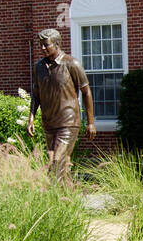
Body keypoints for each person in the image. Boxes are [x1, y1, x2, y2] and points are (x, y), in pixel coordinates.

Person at [26, 28, 96, 180]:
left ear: (57, 44)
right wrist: (31, 118)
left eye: (46, 45)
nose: (42, 48)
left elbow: (86, 92)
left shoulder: (72, 64)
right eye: (41, 45)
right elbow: (36, 94)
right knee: (57, 164)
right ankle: (68, 199)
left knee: (57, 162)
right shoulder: (39, 67)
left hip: (68, 122)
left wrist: (90, 123)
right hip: (49, 123)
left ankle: (54, 197)